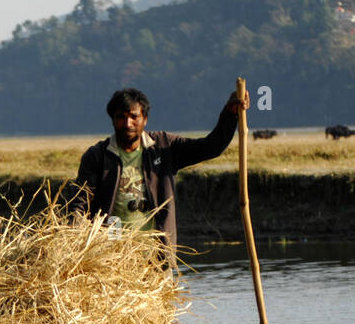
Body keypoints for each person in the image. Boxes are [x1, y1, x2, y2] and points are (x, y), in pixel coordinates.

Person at [71, 86, 249, 259]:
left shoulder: (164, 146)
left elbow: (210, 147)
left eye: (134, 117)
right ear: (112, 120)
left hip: (156, 259)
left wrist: (230, 114)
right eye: (121, 117)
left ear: (145, 119)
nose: (128, 123)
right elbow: (79, 204)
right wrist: (72, 242)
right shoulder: (98, 156)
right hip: (112, 261)